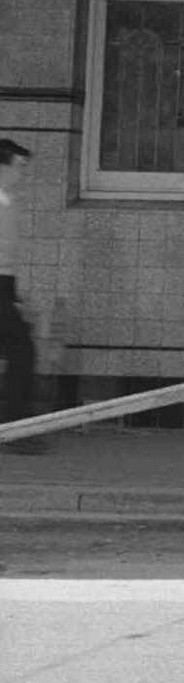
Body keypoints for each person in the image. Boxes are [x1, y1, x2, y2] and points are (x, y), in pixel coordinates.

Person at [0, 138, 47, 453]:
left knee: (19, 351)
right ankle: (15, 429)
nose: (23, 173)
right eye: (18, 166)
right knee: (22, 352)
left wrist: (15, 294)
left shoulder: (7, 202)